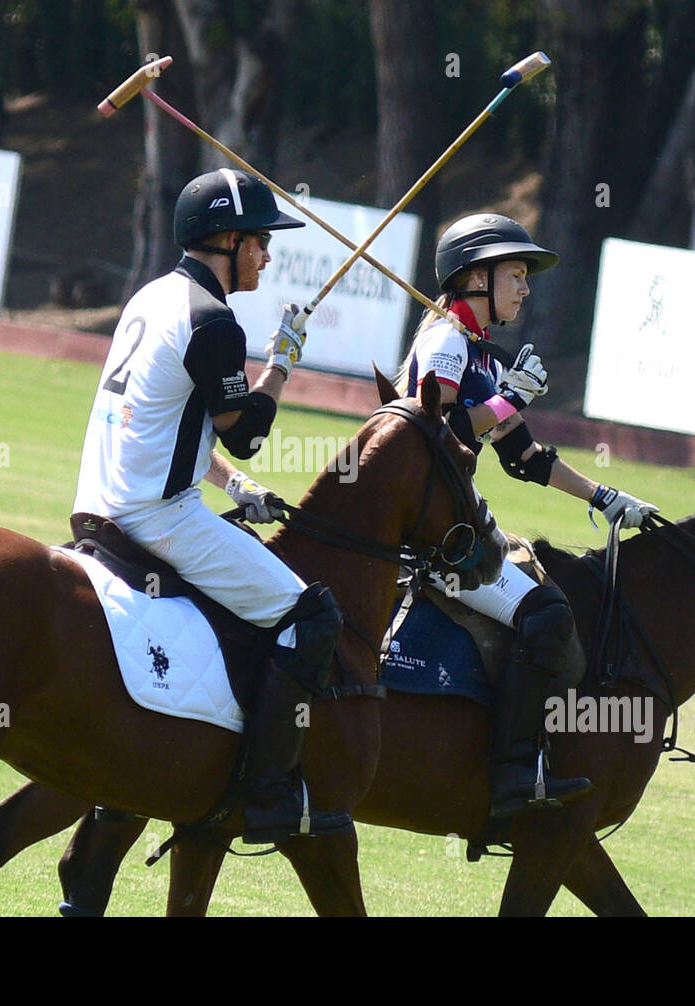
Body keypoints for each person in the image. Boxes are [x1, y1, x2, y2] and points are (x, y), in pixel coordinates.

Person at [72, 168, 352, 844]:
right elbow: (249, 433)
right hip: (155, 520)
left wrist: (232, 487)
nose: (267, 255)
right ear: (225, 239)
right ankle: (266, 791)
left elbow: (171, 423)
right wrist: (284, 362)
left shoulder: (152, 297)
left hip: (94, 504)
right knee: (312, 615)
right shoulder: (213, 321)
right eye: (259, 241)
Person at [396, 212, 660, 818]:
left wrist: (603, 498)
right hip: (429, 532)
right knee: (544, 615)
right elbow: (432, 431)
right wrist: (508, 398)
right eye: (515, 274)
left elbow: (524, 458)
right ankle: (514, 775)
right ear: (476, 278)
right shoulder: (443, 342)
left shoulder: (480, 356)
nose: (525, 287)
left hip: (461, 524)